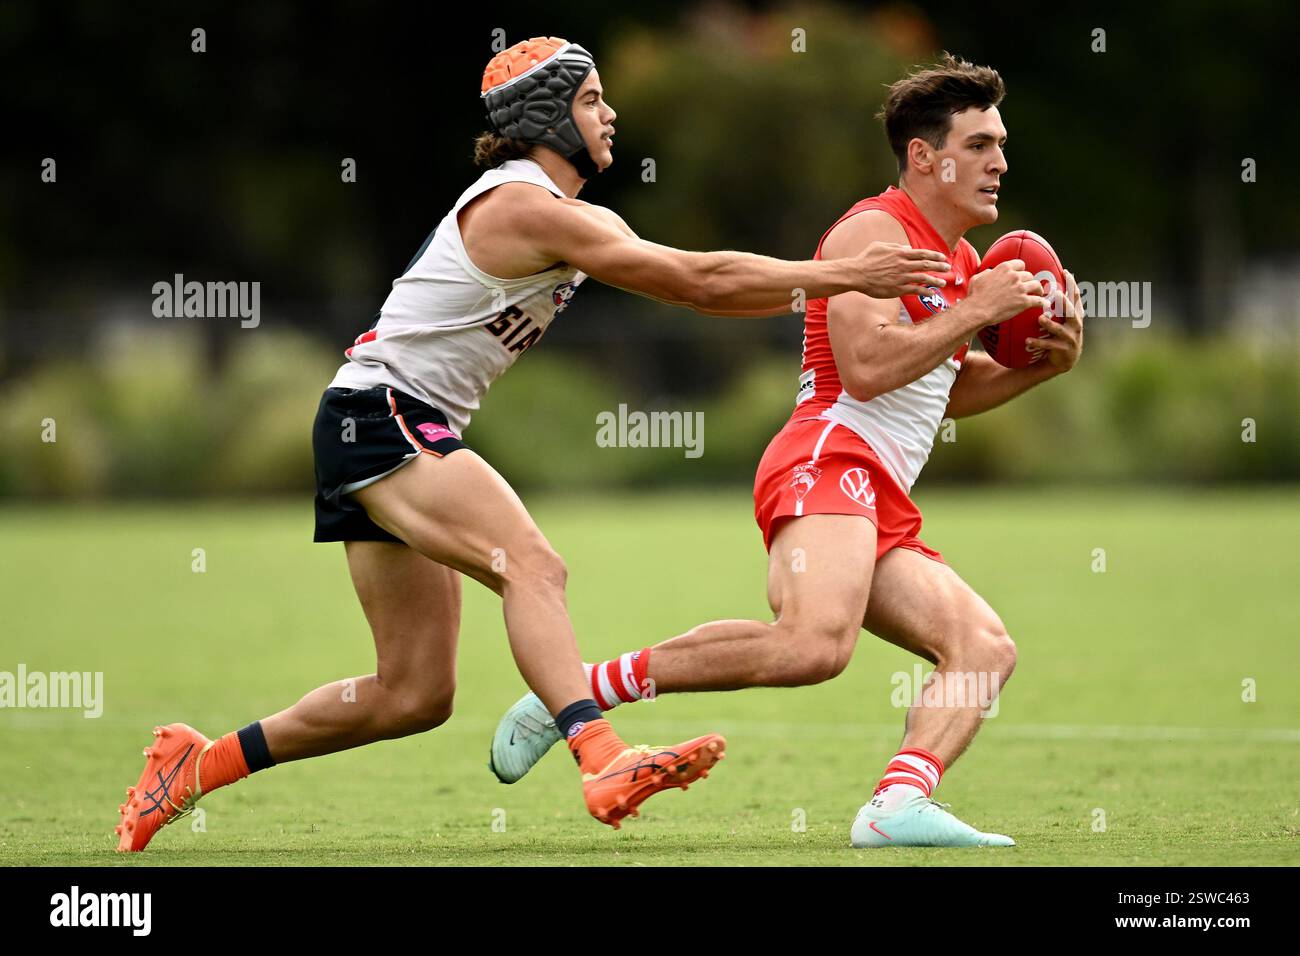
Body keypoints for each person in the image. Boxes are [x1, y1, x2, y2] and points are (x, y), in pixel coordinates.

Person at [114, 36, 947, 852]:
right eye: (591, 101)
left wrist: (825, 290)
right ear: (548, 115)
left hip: (377, 424)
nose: (610, 114)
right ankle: (601, 757)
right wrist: (842, 276)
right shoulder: (518, 204)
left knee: (412, 695)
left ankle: (197, 762)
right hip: (384, 414)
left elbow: (702, 292)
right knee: (533, 565)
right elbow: (697, 278)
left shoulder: (568, 216)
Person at [489, 53, 1086, 848]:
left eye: (1000, 144)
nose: (1000, 162)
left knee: (983, 646)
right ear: (923, 156)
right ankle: (580, 694)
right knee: (814, 645)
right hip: (828, 457)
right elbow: (869, 369)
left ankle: (895, 806)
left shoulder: (961, 263)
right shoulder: (873, 230)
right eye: (979, 144)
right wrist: (974, 310)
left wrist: (1043, 365)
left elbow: (945, 387)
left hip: (879, 493)